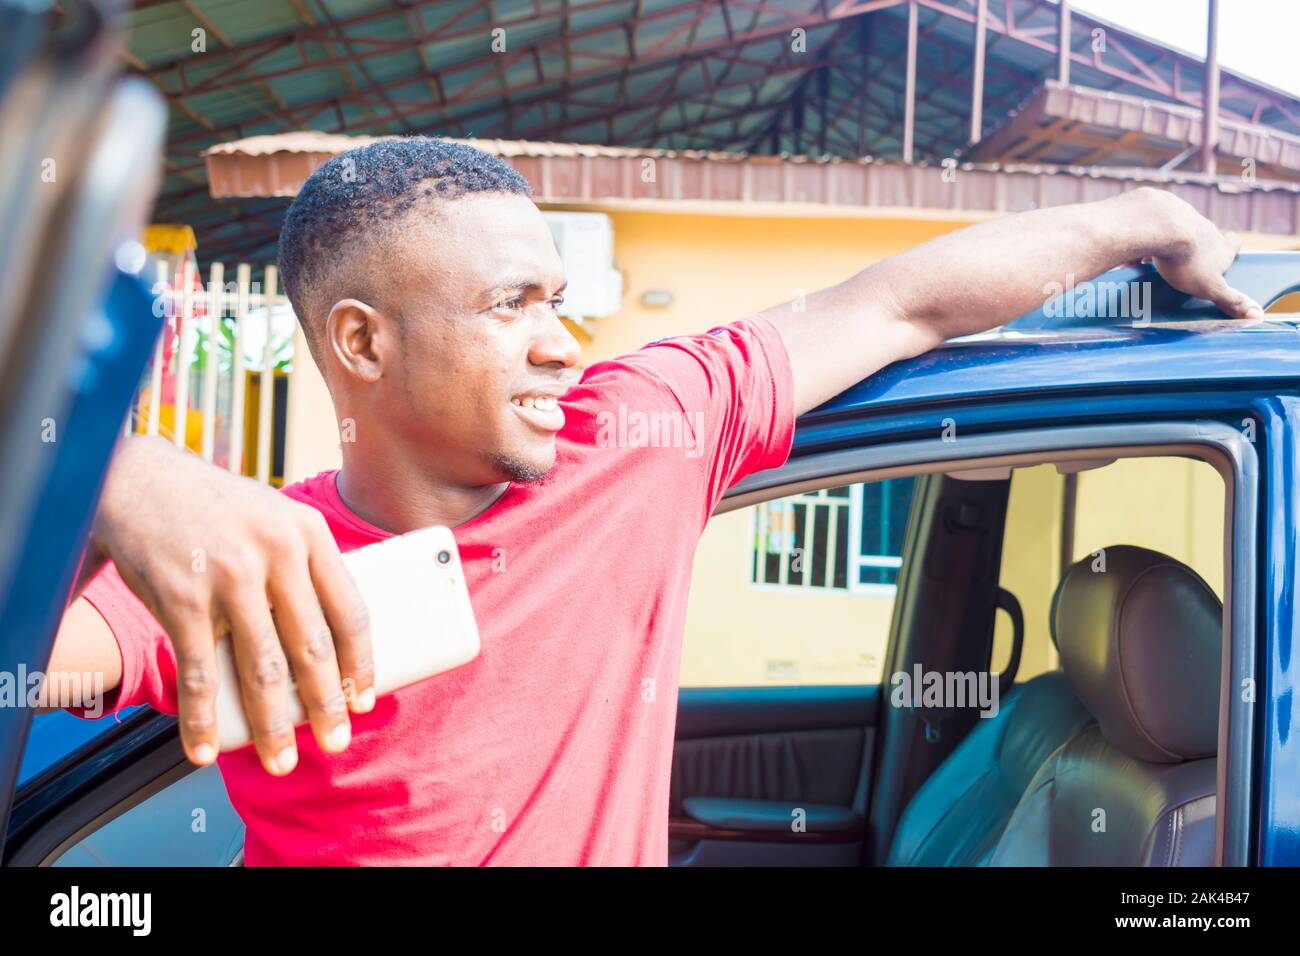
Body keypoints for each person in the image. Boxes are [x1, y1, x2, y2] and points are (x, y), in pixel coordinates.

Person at [44, 137, 1263, 865]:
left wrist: (1145, 219)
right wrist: (112, 475)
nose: (562, 343)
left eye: (560, 300)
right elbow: (27, 668)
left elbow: (905, 302)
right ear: (361, 342)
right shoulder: (240, 567)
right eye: (511, 306)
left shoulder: (635, 439)